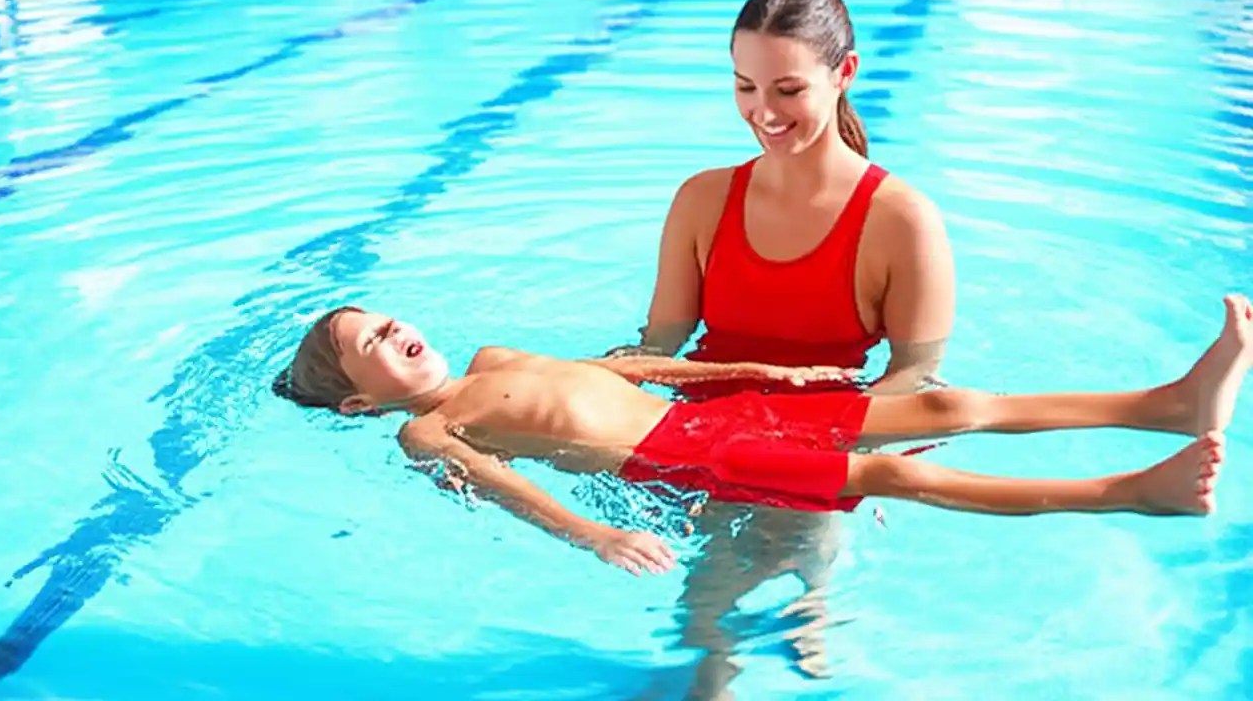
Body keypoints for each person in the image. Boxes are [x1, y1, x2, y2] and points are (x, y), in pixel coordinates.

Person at [273, 294, 1250, 576]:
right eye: (367, 344)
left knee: (948, 407)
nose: (390, 330)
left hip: (707, 414)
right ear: (359, 399)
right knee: (876, 475)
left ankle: (1165, 402)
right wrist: (597, 535)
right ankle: (1127, 490)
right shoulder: (428, 432)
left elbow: (626, 369)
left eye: (384, 317)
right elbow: (509, 489)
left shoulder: (490, 354)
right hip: (678, 457)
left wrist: (759, 374)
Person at [604, 0, 954, 689]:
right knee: (712, 581)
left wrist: (801, 441)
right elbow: (660, 343)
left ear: (844, 73)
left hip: (822, 430)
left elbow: (914, 376)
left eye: (788, 89)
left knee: (747, 566)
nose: (762, 112)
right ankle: (777, 613)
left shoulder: (902, 220)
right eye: (744, 86)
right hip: (705, 430)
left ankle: (800, 604)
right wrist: (584, 383)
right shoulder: (702, 200)